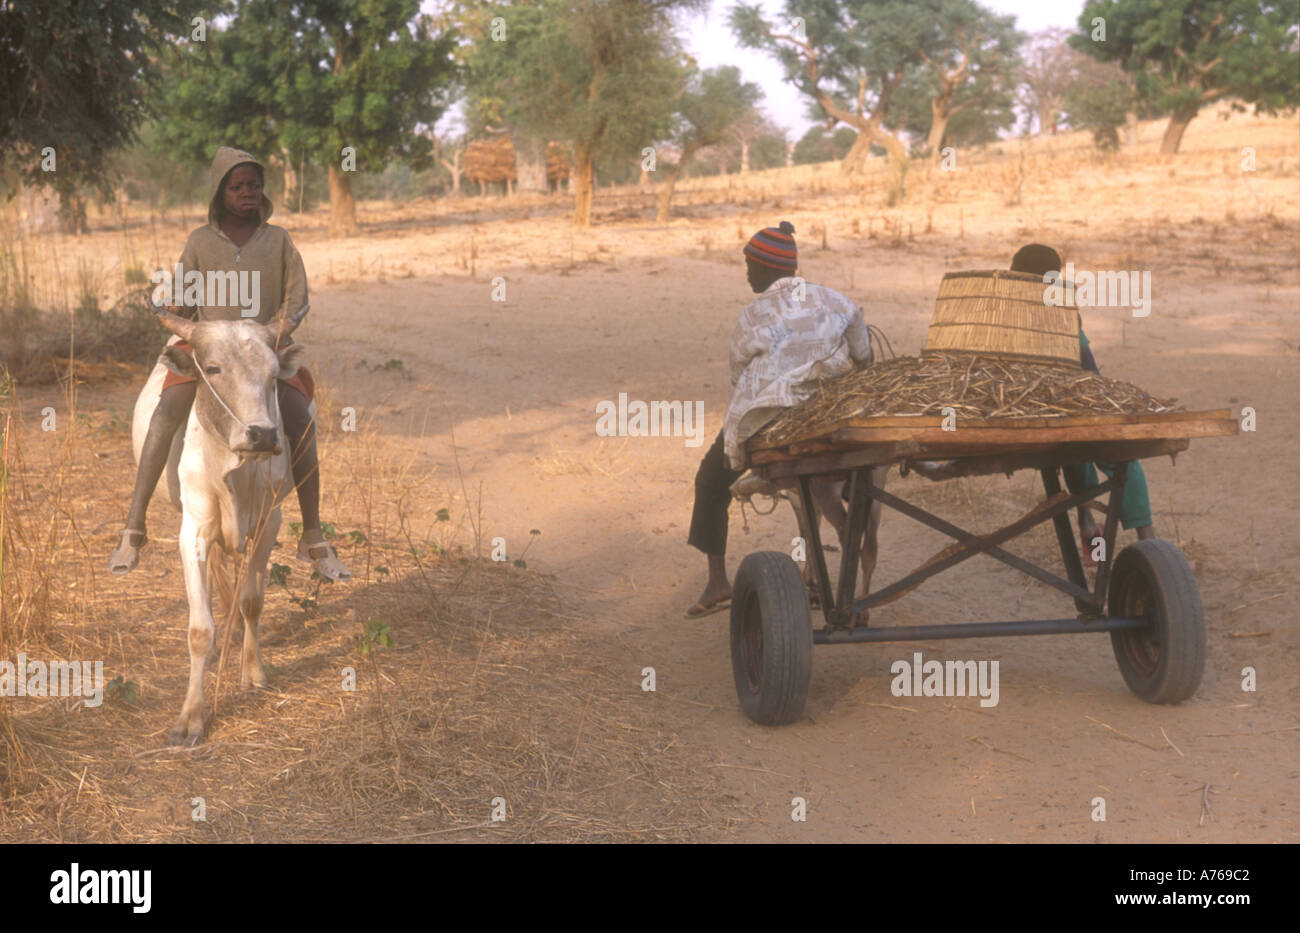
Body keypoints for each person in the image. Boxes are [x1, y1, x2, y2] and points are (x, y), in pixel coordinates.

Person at [109, 147, 351, 582]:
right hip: (210, 351)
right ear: (221, 194)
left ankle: (313, 533)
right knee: (165, 411)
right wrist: (170, 305)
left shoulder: (279, 241)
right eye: (237, 187)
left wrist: (274, 335)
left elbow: (297, 299)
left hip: (263, 349)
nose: (247, 193)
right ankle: (134, 525)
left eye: (254, 186)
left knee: (299, 417)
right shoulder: (200, 242)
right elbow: (183, 294)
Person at [685, 221, 872, 618]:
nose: (747, 273)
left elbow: (738, 375)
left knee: (710, 480)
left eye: (750, 265)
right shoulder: (836, 301)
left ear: (767, 268)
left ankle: (718, 582)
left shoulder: (754, 315)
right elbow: (864, 354)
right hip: (828, 413)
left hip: (769, 421)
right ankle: (841, 586)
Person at [1009, 243, 1156, 564]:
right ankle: (1150, 542)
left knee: (1074, 457)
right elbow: (1087, 366)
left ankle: (1088, 526)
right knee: (1122, 458)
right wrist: (1101, 393)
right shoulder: (1061, 311)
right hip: (1062, 407)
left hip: (1020, 409)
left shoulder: (1003, 312)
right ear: (1053, 277)